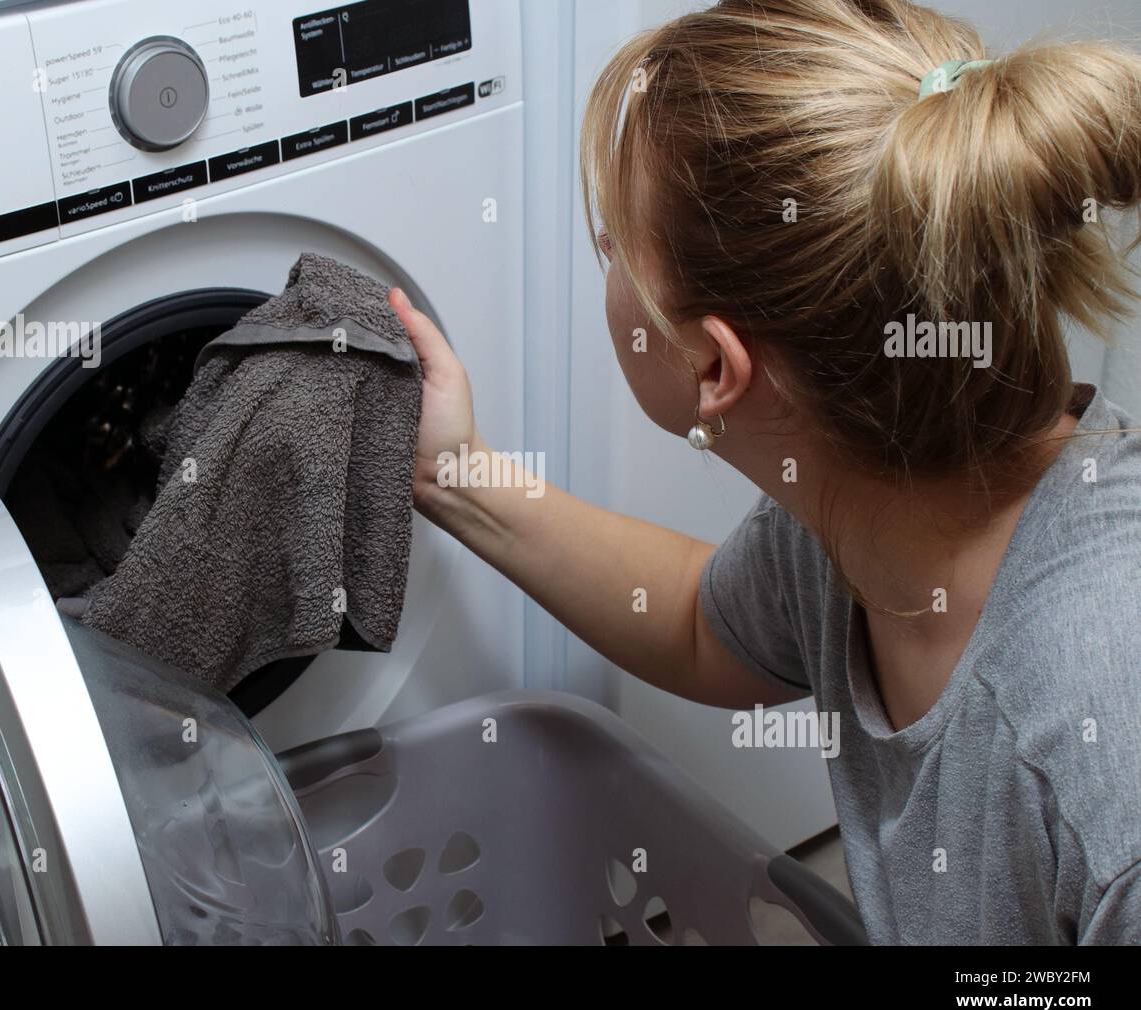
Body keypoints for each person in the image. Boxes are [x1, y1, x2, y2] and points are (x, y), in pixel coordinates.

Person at [387, 0, 1141, 945]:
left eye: (615, 247)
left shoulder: (1099, 739)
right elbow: (703, 621)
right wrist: (453, 470)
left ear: (714, 368)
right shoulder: (868, 497)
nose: (604, 262)